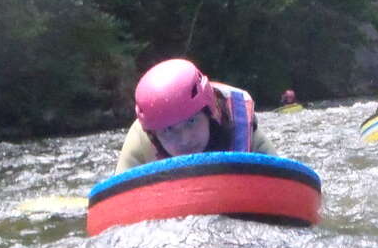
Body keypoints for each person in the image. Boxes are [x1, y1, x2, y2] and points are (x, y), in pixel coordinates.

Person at [114, 58, 275, 173]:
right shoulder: (141, 139)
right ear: (154, 135)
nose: (185, 139)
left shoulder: (237, 119)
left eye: (191, 121)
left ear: (210, 113)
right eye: (169, 130)